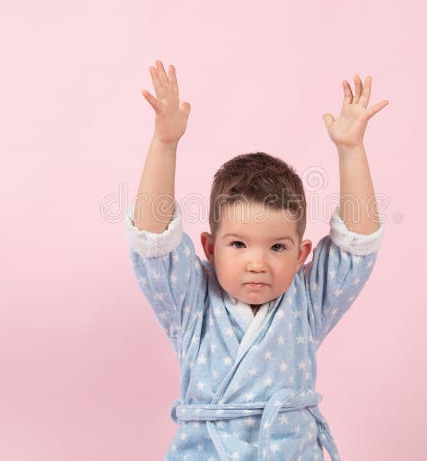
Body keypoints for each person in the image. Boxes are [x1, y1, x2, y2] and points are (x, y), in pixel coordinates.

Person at [124, 59, 390, 460]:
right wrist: (165, 144)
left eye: (277, 247)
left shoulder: (305, 302)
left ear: (301, 255)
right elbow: (153, 240)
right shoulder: (192, 304)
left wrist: (351, 151)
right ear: (209, 248)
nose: (257, 263)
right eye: (238, 244)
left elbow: (357, 247)